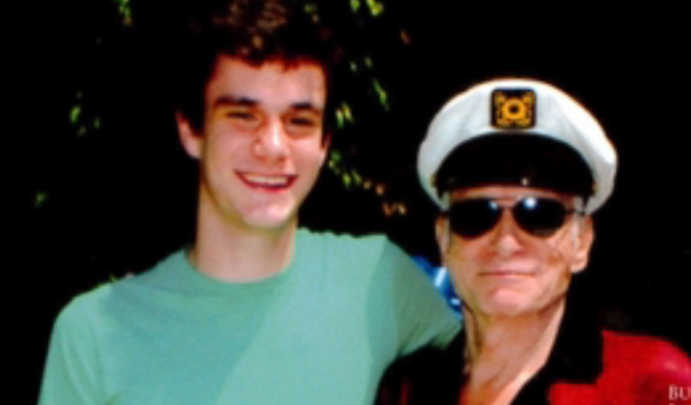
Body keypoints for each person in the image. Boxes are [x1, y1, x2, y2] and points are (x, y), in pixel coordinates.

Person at [38, 2, 459, 404]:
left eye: (299, 122)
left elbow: (490, 366)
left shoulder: (379, 281)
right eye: (243, 116)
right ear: (191, 131)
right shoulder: (95, 333)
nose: (273, 147)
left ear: (324, 144)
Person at [392, 78, 691, 404]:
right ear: (443, 239)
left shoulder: (654, 384)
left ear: (582, 242)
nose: (505, 242)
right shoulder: (405, 391)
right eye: (476, 215)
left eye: (540, 215)